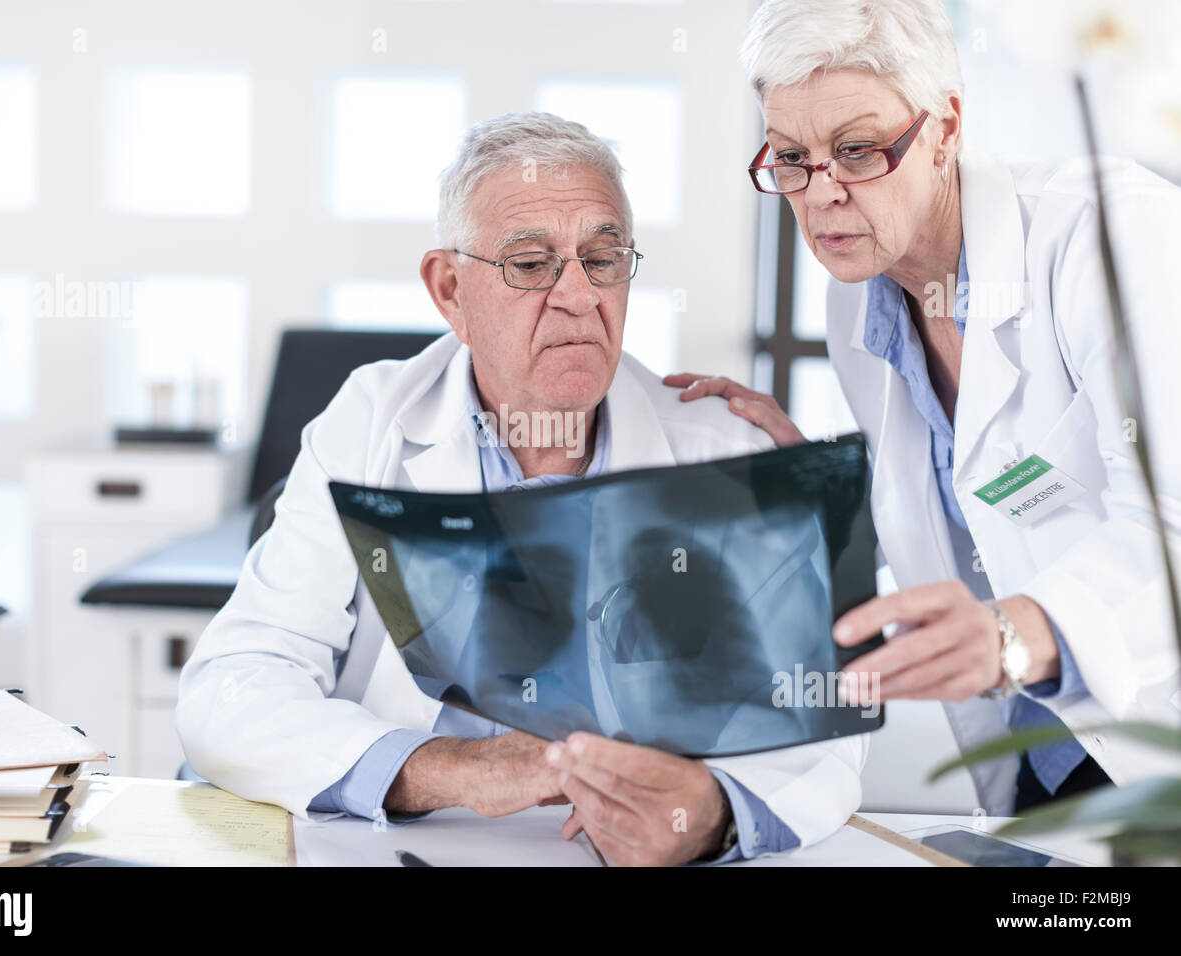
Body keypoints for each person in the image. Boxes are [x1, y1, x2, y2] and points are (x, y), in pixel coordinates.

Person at [176, 112, 868, 865]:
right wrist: (446, 770)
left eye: (602, 259)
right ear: (450, 291)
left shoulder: (725, 449)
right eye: (531, 264)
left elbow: (822, 731)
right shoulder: (372, 419)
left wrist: (710, 815)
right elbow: (233, 686)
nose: (578, 295)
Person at [667, 0, 1181, 814]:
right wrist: (818, 495)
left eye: (858, 150)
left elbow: (1170, 530)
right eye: (792, 157)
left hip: (1157, 749)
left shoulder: (1113, 239)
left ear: (945, 128)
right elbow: (960, 522)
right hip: (1039, 760)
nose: (820, 194)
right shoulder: (860, 303)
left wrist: (1013, 636)